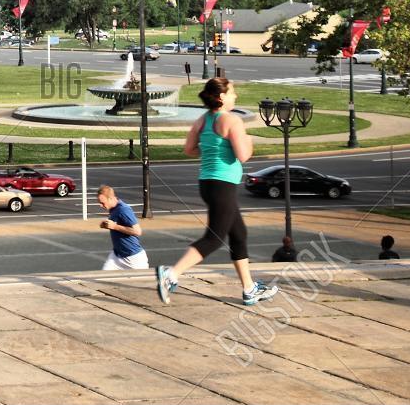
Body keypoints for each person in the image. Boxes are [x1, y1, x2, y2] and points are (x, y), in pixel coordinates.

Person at [156, 77, 278, 307]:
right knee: (214, 238)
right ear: (221, 97)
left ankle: (249, 288)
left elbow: (189, 149)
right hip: (223, 186)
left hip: (207, 183)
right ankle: (171, 275)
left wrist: (211, 150)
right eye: (232, 92)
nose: (236, 96)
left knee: (239, 235)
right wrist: (249, 140)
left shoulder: (202, 120)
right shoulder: (232, 121)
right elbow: (243, 155)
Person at [96, 185, 148, 270]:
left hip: (133, 258)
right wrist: (106, 225)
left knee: (141, 282)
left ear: (111, 199)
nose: (100, 206)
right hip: (117, 256)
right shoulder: (113, 209)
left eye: (102, 203)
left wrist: (114, 226)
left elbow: (137, 231)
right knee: (103, 277)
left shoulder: (124, 209)